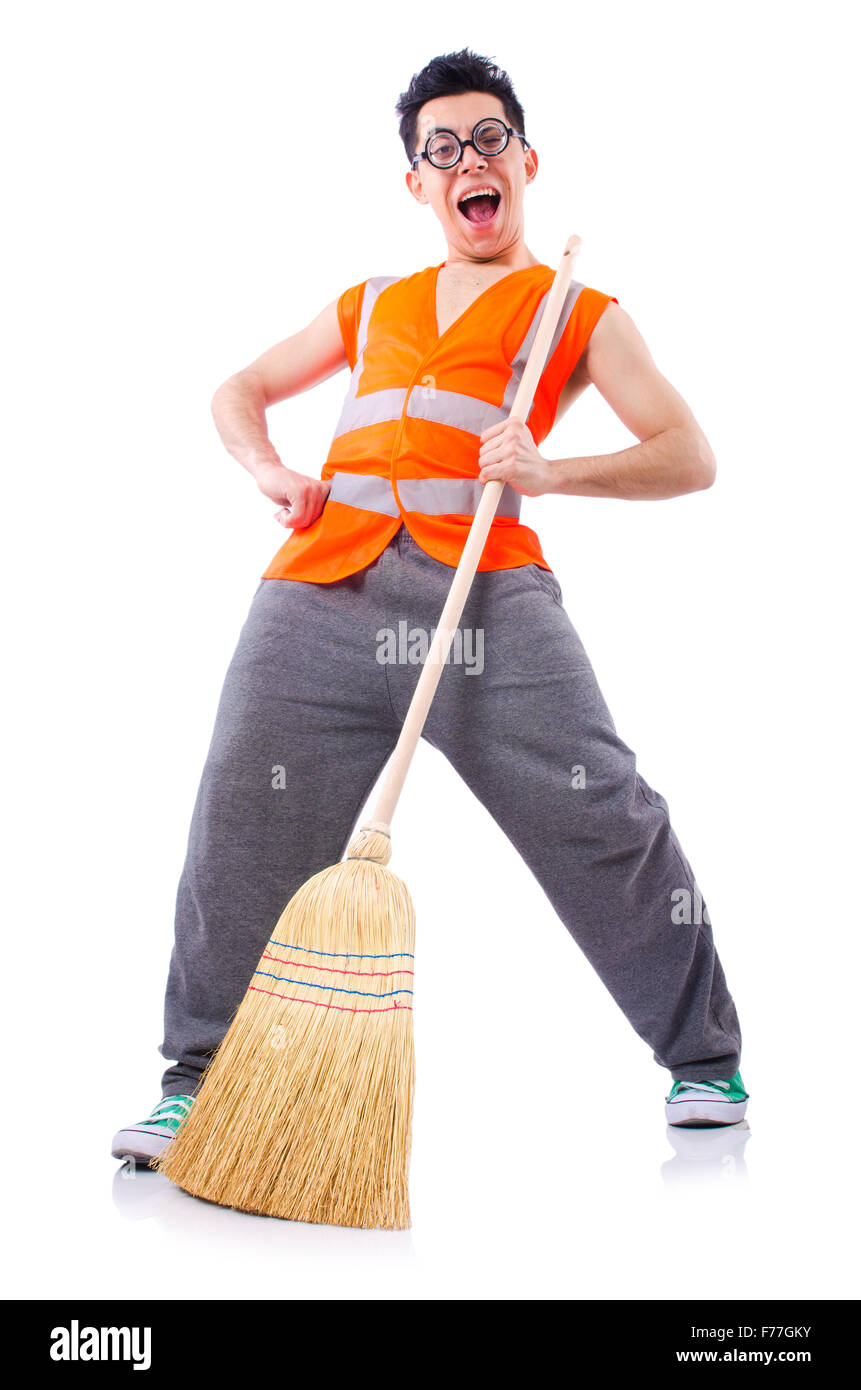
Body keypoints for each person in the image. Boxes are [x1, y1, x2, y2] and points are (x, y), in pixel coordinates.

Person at [112, 48, 748, 1165]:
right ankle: (195, 1083)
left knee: (605, 810)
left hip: (487, 597)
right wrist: (265, 467)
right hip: (320, 587)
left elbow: (691, 456)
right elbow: (238, 389)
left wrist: (553, 474)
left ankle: (705, 1059)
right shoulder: (372, 301)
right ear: (418, 182)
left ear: (526, 159)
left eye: (488, 139)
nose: (468, 162)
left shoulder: (578, 310)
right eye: (441, 149)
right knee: (237, 814)